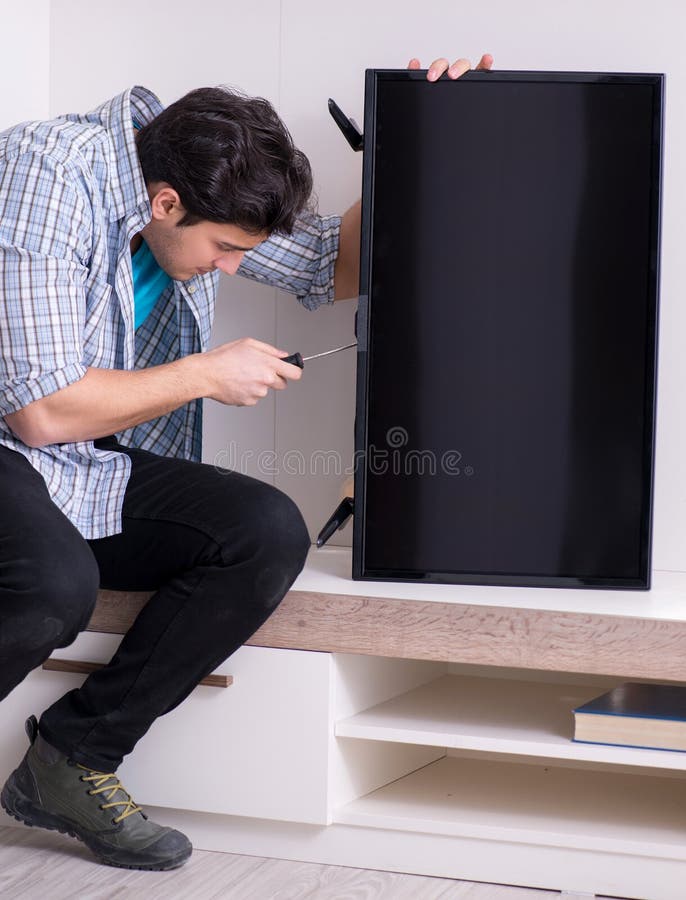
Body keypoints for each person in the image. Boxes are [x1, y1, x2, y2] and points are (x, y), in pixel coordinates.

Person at [0, 53, 493, 871]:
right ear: (165, 203)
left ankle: (71, 761)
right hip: (20, 432)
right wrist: (203, 373)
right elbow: (41, 410)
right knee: (54, 583)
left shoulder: (196, 185)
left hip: (72, 456)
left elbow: (334, 263)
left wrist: (426, 133)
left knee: (262, 531)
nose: (232, 268)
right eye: (226, 249)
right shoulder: (46, 176)